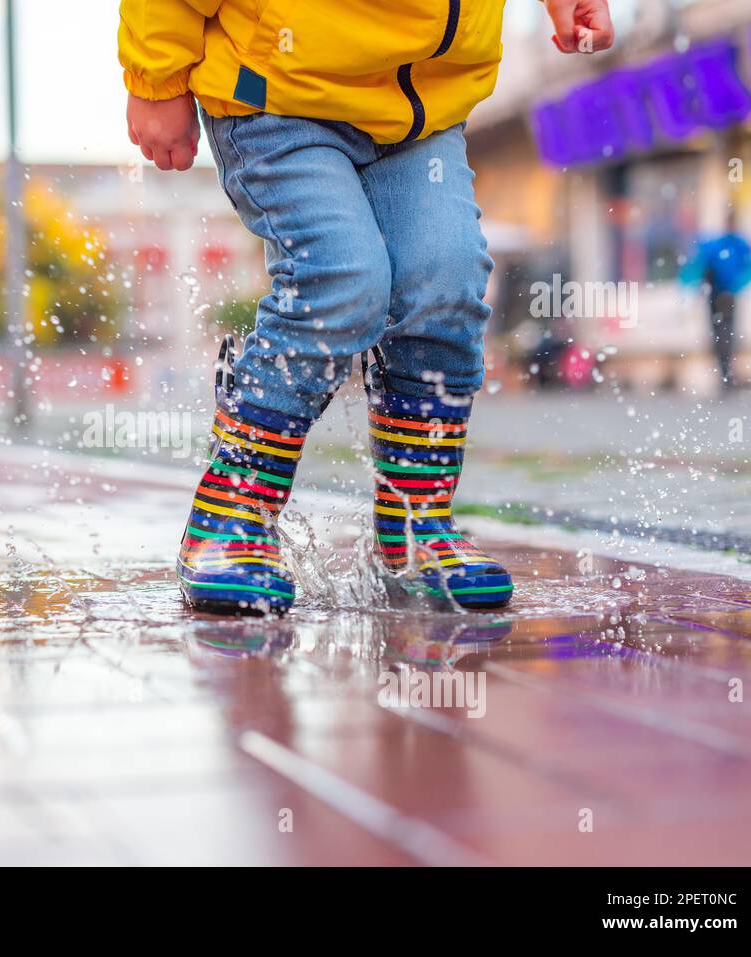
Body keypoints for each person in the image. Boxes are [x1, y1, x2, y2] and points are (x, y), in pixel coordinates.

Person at [119, 0, 614, 615]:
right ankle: (231, 513)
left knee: (447, 286)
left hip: (422, 112)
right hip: (279, 97)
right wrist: (156, 78)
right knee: (341, 281)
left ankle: (415, 528)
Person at [684, 217, 751, 393]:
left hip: (717, 294)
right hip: (726, 295)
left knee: (720, 332)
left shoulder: (717, 246)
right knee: (727, 332)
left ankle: (725, 371)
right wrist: (735, 287)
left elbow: (698, 267)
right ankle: (726, 372)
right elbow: (750, 269)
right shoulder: (738, 245)